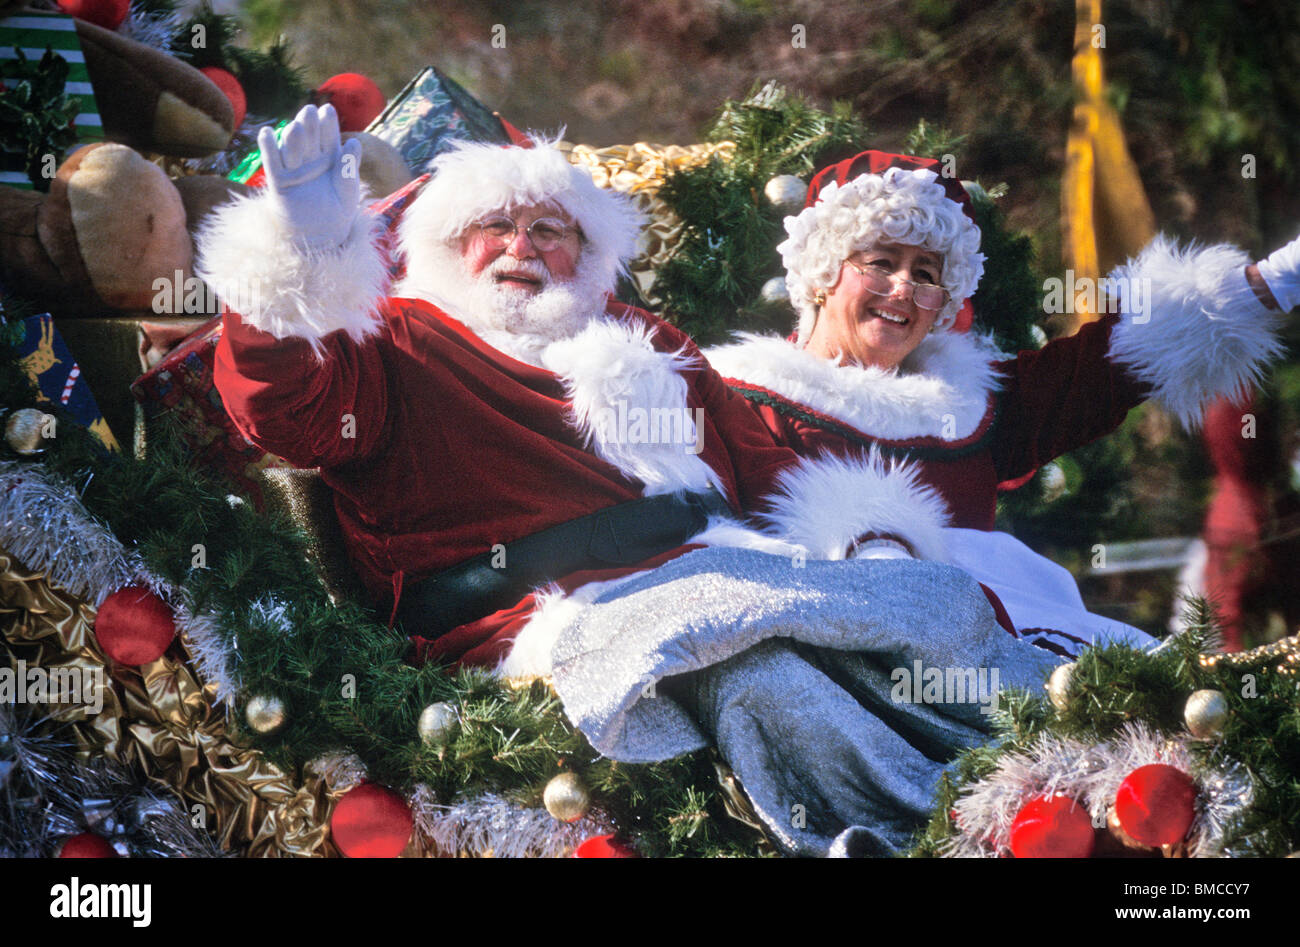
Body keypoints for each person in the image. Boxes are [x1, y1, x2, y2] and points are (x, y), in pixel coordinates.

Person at [198, 106, 1062, 856]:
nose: (522, 246)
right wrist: (305, 249)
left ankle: (1058, 767)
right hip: (544, 619)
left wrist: (863, 539)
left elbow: (766, 469)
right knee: (761, 674)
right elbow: (281, 409)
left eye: (551, 229)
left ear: (587, 251)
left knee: (931, 597)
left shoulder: (645, 339)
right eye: (496, 224)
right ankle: (935, 832)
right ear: (451, 242)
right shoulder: (395, 341)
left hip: (721, 570)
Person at [705, 150, 1298, 655]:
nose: (904, 288)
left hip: (1001, 675)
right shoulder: (740, 400)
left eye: (926, 273)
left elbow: (1111, 364)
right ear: (821, 276)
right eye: (880, 263)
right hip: (833, 678)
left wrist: (1273, 281)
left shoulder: (975, 405)